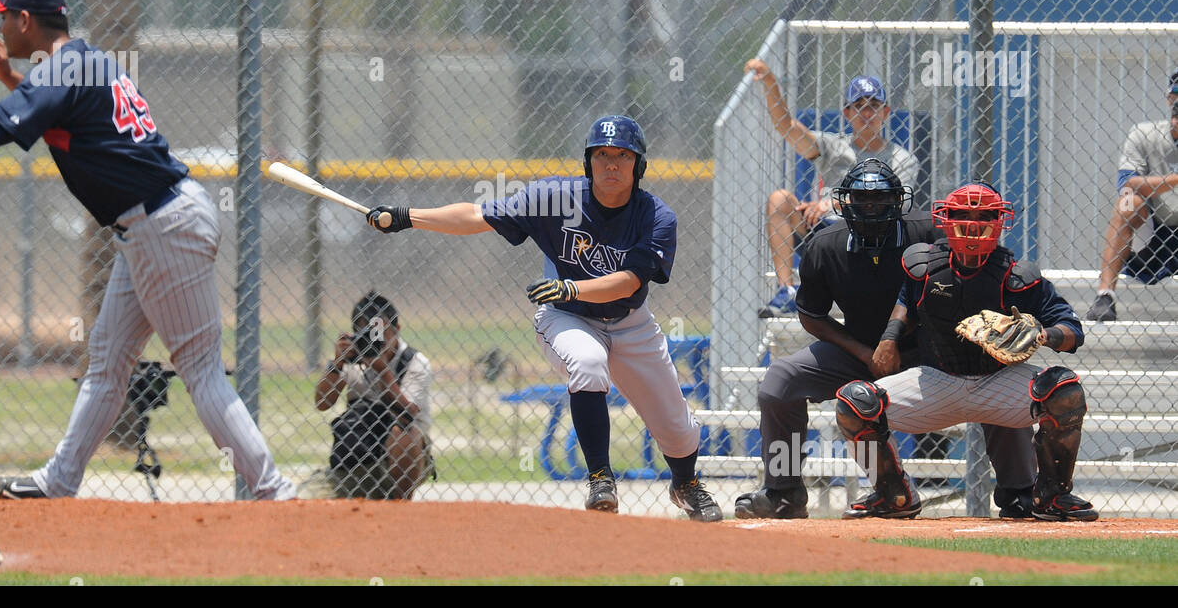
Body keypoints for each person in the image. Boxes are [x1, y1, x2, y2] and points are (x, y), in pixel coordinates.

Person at [0, 0, 294, 500]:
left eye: (2, 15)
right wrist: (12, 81)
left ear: (25, 21)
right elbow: (67, 124)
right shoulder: (84, 60)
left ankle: (272, 490)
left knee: (200, 370)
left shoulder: (62, 70)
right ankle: (59, 481)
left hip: (161, 226)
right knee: (107, 363)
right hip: (158, 222)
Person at [364, 115, 723, 521]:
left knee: (677, 428)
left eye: (622, 156)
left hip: (629, 321)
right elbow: (476, 216)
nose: (611, 164)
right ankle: (600, 478)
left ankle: (686, 484)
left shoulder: (657, 216)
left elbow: (628, 283)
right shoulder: (554, 197)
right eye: (601, 155)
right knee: (587, 363)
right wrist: (407, 216)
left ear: (638, 165)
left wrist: (573, 287)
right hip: (566, 318)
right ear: (587, 162)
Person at [734, 160, 1036, 520]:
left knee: (991, 370)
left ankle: (1020, 492)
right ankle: (785, 491)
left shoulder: (929, 233)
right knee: (779, 382)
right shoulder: (825, 246)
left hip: (932, 348)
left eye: (880, 199)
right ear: (844, 203)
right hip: (859, 347)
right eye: (862, 199)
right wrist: (865, 352)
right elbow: (811, 316)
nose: (871, 207)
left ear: (898, 201)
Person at [836, 181, 1096, 521]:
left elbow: (1072, 331)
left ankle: (1050, 495)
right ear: (946, 219)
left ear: (1000, 221)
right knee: (855, 403)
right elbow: (907, 303)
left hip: (999, 381)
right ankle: (893, 494)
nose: (973, 224)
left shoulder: (1019, 276)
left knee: (1065, 391)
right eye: (963, 215)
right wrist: (889, 338)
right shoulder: (924, 266)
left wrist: (1041, 335)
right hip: (937, 380)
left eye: (983, 216)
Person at [747, 59, 921, 317]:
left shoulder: (903, 159)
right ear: (847, 113)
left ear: (886, 113)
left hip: (875, 240)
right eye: (858, 106)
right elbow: (787, 128)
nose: (867, 113)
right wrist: (771, 84)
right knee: (780, 199)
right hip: (826, 233)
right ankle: (787, 291)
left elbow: (899, 205)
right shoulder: (834, 147)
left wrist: (831, 203)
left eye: (874, 106)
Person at [315, 291, 434, 500]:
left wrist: (383, 372)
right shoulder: (353, 356)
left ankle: (400, 501)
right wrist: (337, 364)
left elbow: (408, 415)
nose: (377, 340)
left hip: (400, 458)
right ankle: (353, 491)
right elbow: (323, 403)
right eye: (369, 333)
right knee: (306, 499)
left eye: (382, 332)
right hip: (358, 455)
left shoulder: (414, 361)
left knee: (405, 433)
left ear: (397, 329)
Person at [1084, 68, 1178, 321]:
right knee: (1128, 201)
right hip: (1153, 232)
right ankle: (1105, 296)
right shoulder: (1145, 134)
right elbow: (1127, 183)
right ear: (1169, 98)